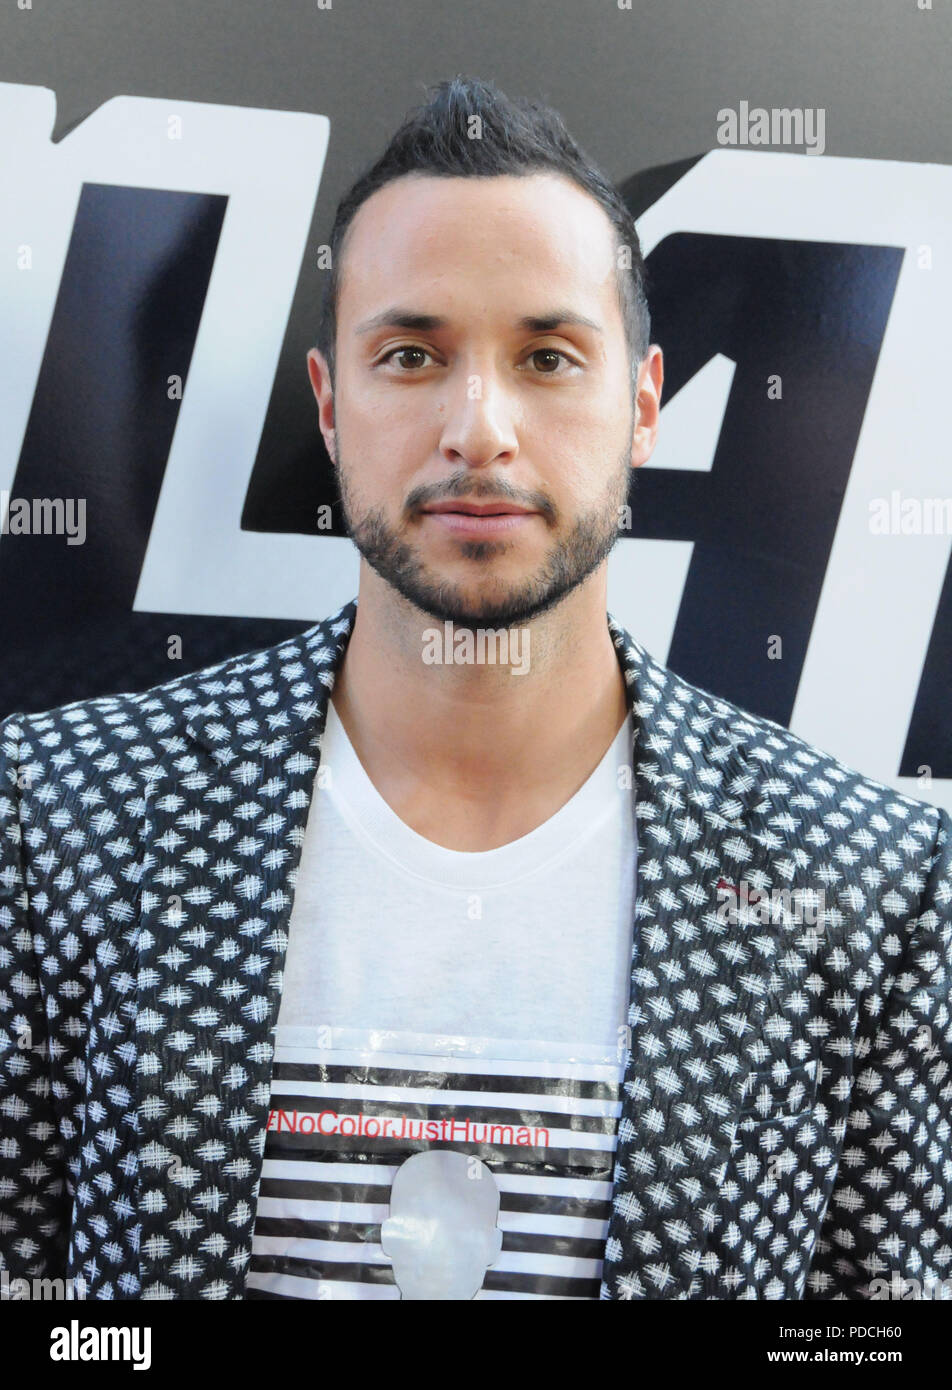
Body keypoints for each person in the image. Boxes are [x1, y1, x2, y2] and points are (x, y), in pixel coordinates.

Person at [1, 75, 949, 1303]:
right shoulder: (62, 814)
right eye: (411, 354)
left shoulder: (864, 877)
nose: (479, 428)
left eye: (549, 356)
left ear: (644, 405)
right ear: (331, 407)